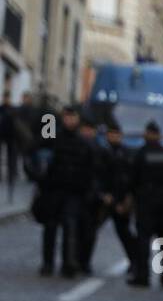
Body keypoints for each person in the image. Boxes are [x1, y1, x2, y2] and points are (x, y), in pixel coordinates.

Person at [40, 106, 95, 278]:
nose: (69, 120)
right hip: (54, 190)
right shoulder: (53, 137)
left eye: (73, 117)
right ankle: (48, 263)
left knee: (70, 227)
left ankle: (68, 263)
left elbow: (90, 169)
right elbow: (38, 153)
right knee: (50, 227)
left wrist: (87, 190)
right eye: (67, 117)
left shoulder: (83, 142)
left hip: (73, 192)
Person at [130, 121, 163, 288]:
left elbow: (134, 179)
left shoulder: (141, 154)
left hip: (147, 202)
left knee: (144, 240)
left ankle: (142, 276)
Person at [100, 119, 140, 278]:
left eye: (116, 134)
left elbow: (130, 178)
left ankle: (135, 261)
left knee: (124, 233)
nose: (114, 137)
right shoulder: (102, 152)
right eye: (111, 134)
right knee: (88, 230)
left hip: (120, 199)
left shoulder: (127, 153)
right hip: (103, 198)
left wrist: (126, 200)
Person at [75, 116, 107, 274]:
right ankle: (75, 260)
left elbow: (107, 173)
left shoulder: (101, 150)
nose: (86, 133)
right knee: (75, 230)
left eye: (89, 130)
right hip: (77, 194)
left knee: (89, 232)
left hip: (93, 196)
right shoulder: (75, 145)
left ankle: (84, 261)